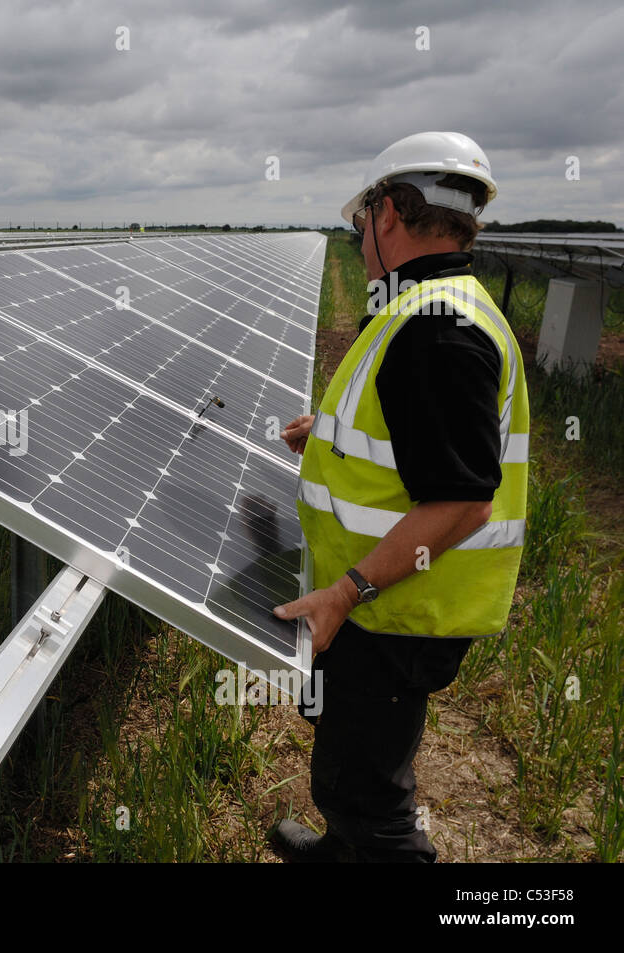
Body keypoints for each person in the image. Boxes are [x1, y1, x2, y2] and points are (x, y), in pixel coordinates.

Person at [269, 131, 529, 862]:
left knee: (370, 793)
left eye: (360, 223)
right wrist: (329, 431)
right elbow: (418, 435)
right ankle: (342, 849)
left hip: (395, 610)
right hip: (393, 602)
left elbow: (461, 500)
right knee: (354, 757)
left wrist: (347, 592)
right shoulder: (430, 308)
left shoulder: (437, 330)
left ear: (388, 212)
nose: (357, 243)